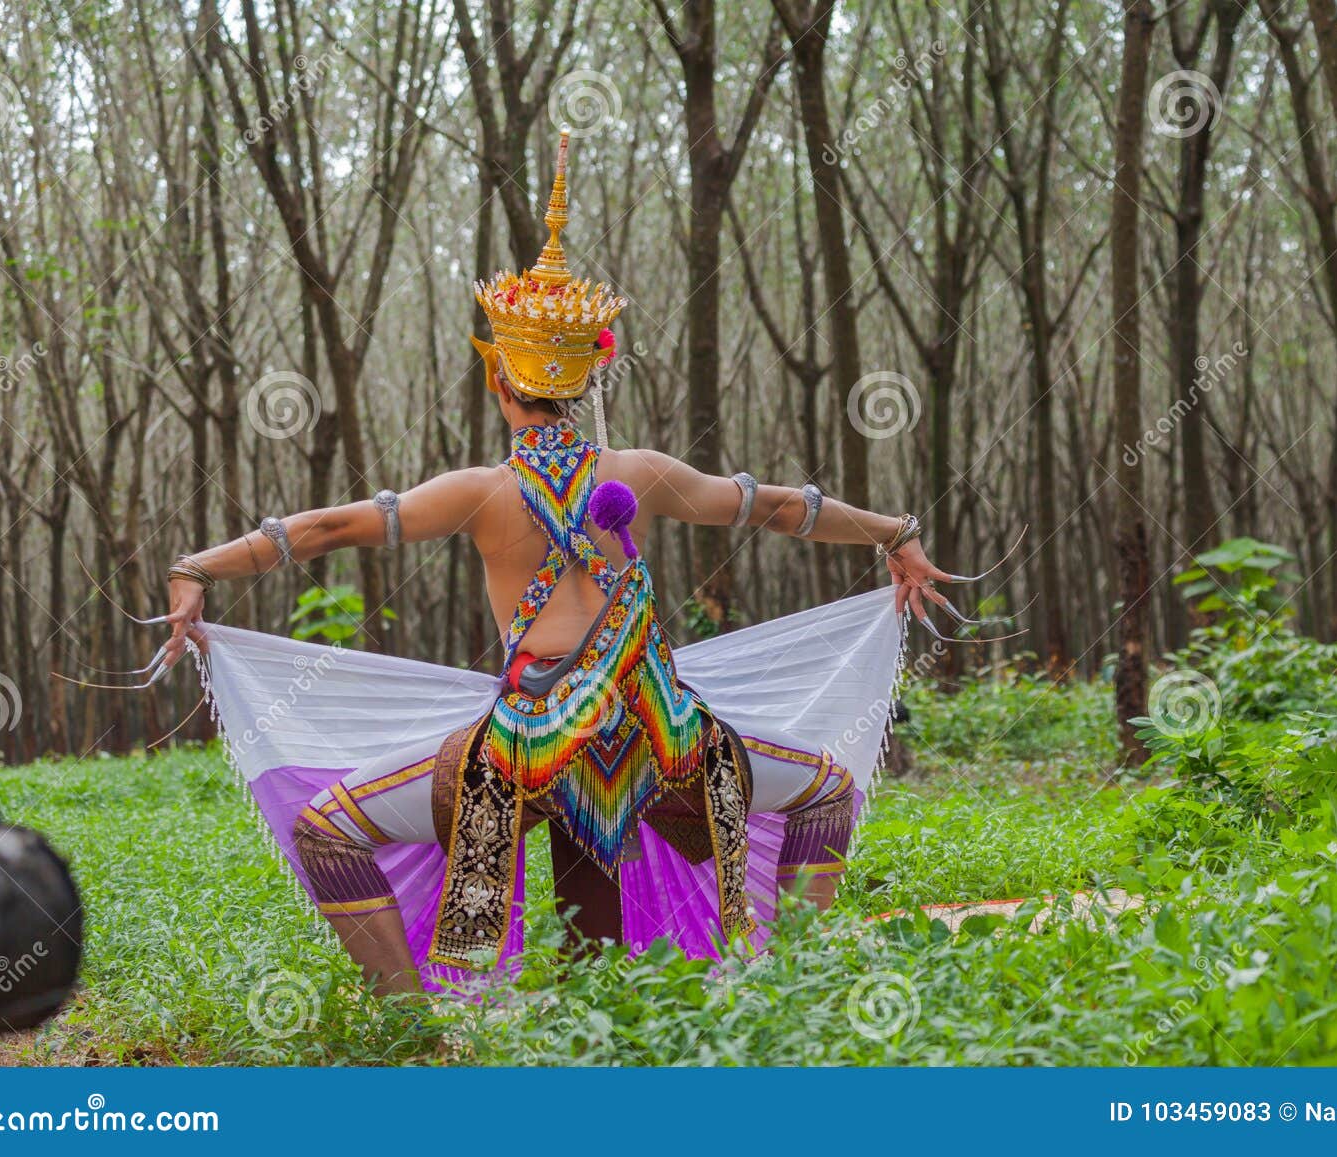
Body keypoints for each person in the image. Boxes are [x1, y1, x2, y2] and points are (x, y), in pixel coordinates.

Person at [160, 132, 950, 997]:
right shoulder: (642, 473)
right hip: (660, 741)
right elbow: (772, 505)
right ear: (584, 382)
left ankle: (412, 1023)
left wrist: (200, 563)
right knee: (827, 791)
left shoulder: (478, 492)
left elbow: (328, 528)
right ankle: (790, 984)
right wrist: (892, 530)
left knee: (327, 830)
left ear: (500, 380)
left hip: (530, 748)